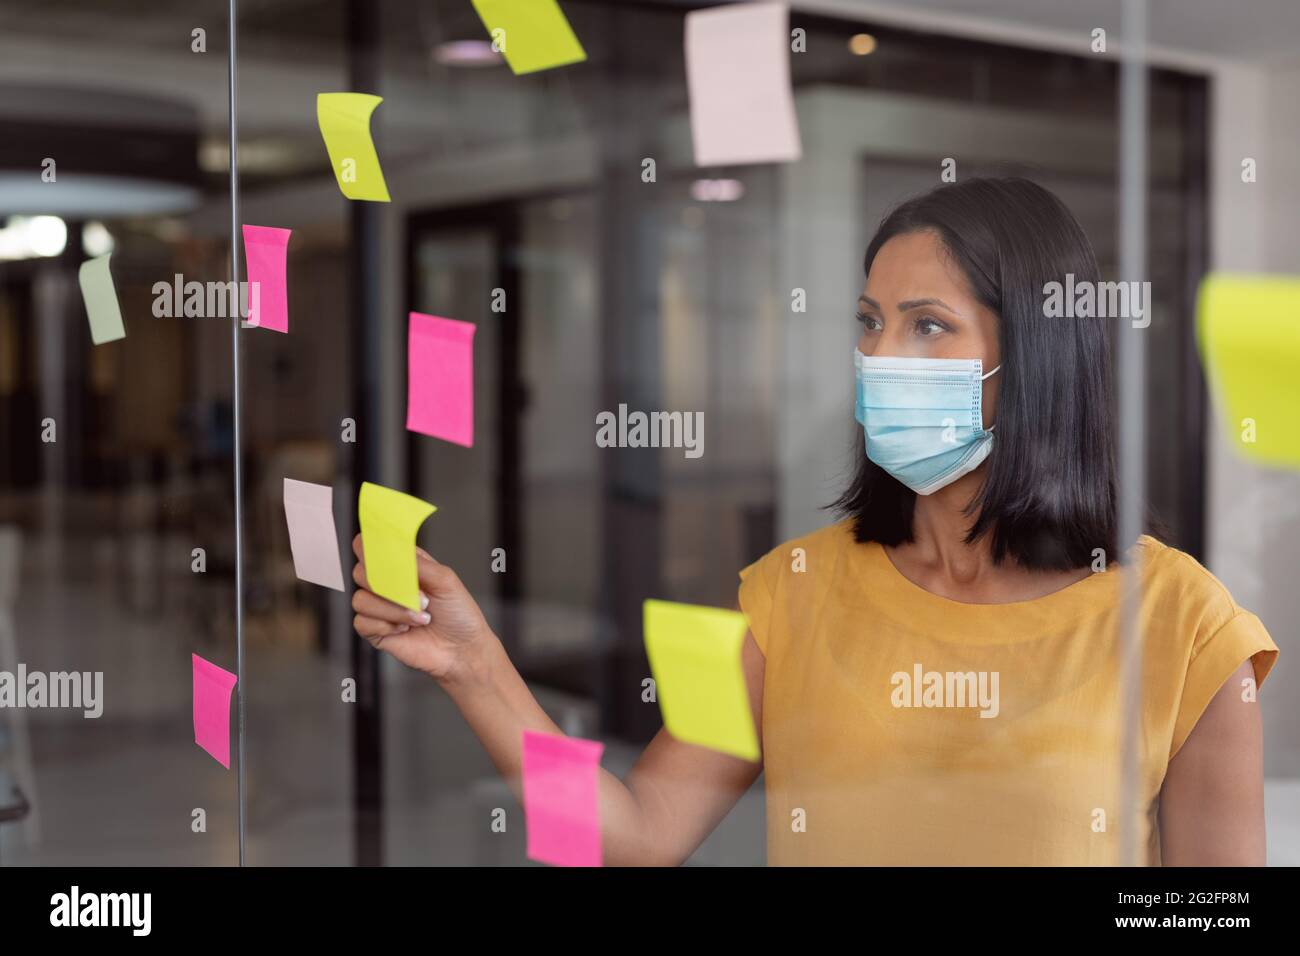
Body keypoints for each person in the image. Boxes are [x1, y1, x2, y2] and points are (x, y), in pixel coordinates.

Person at [351, 177, 1278, 866]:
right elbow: (627, 838)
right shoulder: (787, 592)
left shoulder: (1184, 623)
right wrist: (475, 667)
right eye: (870, 322)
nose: (880, 356)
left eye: (926, 326)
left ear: (1035, 355)